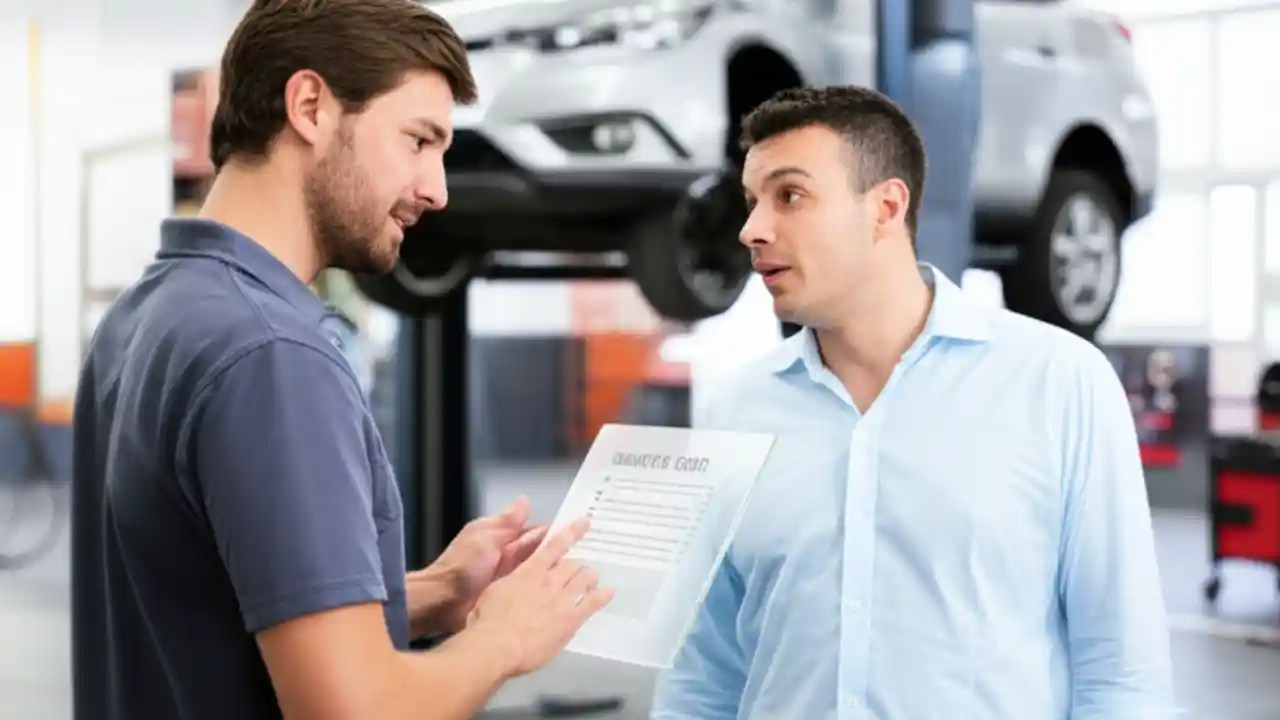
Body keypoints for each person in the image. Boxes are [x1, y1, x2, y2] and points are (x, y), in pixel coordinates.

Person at [70, 2, 612, 719]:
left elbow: (209, 605)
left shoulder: (143, 316)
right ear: (310, 107)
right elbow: (355, 710)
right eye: (418, 140)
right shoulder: (272, 356)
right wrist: (505, 639)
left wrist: (438, 593)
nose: (437, 190)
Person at [650, 86, 1176, 719]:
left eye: (789, 196)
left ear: (885, 207)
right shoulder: (733, 411)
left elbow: (1123, 672)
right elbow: (702, 678)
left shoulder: (1059, 383)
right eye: (751, 201)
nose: (752, 229)